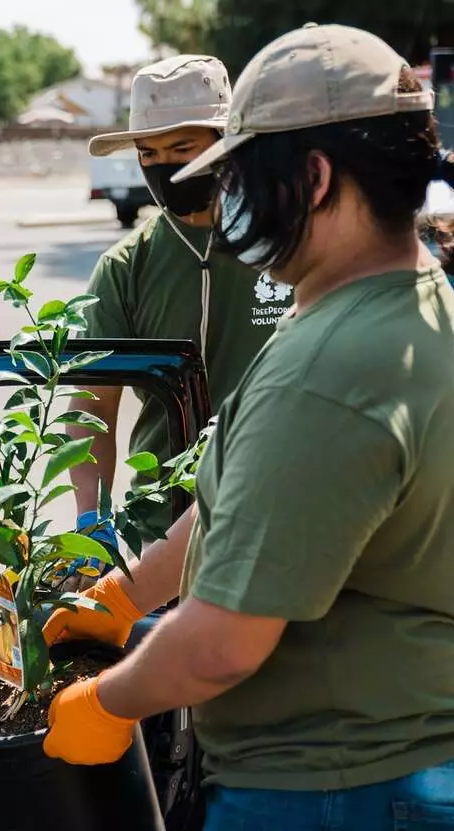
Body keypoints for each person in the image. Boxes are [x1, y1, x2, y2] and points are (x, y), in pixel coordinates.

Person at [43, 24, 454, 831]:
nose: (218, 199)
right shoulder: (384, 303)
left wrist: (103, 700)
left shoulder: (337, 360)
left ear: (311, 173)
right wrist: (125, 594)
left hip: (344, 785)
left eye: (235, 173)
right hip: (372, 769)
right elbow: (226, 501)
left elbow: (221, 641)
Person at [67, 54, 294, 580]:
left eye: (182, 148)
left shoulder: (286, 244)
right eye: (149, 152)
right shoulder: (127, 266)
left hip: (275, 522)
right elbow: (92, 410)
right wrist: (92, 523)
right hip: (158, 539)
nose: (164, 165)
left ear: (226, 142)